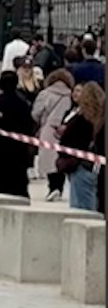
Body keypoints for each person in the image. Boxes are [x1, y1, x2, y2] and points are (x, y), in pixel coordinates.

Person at [57, 81, 104, 212]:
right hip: (97, 167)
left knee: (80, 210)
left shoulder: (80, 119)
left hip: (81, 166)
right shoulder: (101, 119)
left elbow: (67, 140)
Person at [0, 69, 37, 198]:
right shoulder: (23, 102)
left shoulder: (1, 103)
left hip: (3, 148)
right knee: (19, 180)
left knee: (2, 181)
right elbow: (29, 124)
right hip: (20, 147)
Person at [33, 68, 76, 199]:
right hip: (66, 129)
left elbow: (36, 113)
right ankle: (60, 187)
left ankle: (53, 187)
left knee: (48, 160)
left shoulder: (45, 94)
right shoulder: (71, 95)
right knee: (61, 160)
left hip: (49, 128)